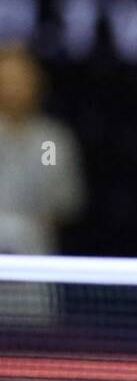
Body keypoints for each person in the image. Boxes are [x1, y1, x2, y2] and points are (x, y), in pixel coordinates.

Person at [0, 45, 84, 255]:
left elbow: (62, 199)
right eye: (7, 81)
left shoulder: (50, 142)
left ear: (36, 85)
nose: (13, 88)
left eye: (20, 80)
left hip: (33, 252)